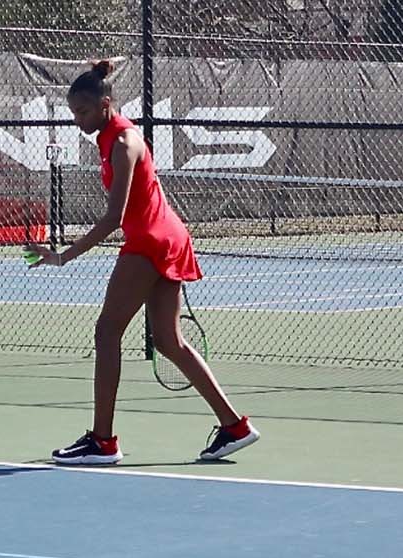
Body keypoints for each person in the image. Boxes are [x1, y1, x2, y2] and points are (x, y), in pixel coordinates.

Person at [25, 59, 260, 466]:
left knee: (106, 332)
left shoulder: (122, 143)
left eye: (82, 111)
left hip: (151, 242)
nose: (77, 120)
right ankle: (234, 427)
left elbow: (114, 217)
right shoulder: (110, 135)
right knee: (169, 342)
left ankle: (102, 442)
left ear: (105, 104)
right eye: (73, 113)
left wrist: (64, 256)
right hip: (166, 237)